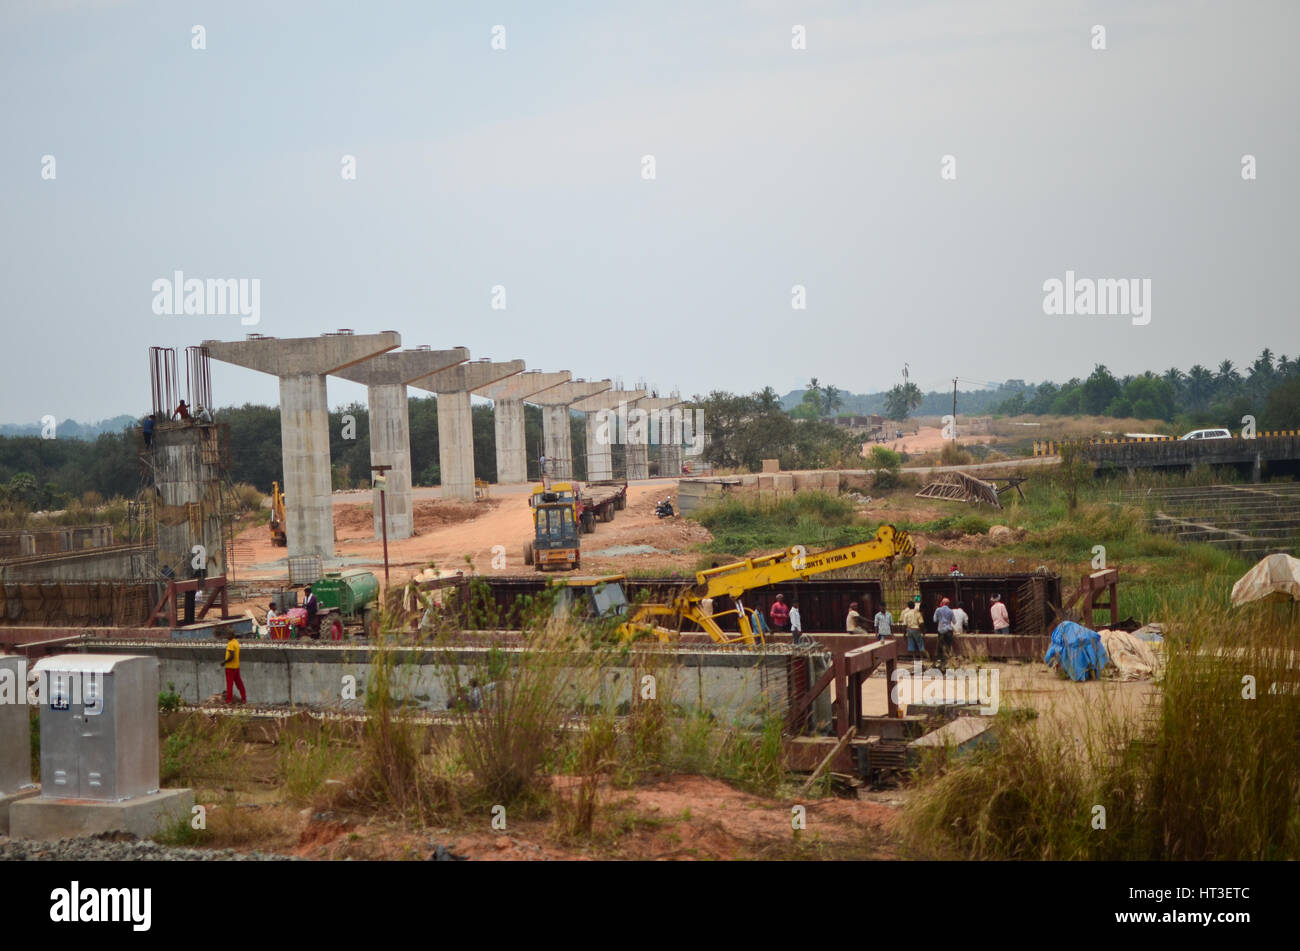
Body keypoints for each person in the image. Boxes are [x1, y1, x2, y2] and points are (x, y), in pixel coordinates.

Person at [222, 631, 246, 704]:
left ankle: (229, 700)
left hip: (230, 667)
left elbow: (231, 656)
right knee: (239, 684)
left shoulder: (230, 644)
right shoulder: (236, 642)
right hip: (236, 667)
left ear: (231, 635)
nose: (226, 636)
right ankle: (244, 698)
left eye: (227, 634)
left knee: (229, 685)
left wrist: (224, 662)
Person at [933, 597, 956, 668]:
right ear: (948, 604)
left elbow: (934, 620)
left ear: (942, 603)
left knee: (940, 647)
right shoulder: (951, 611)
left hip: (941, 630)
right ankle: (948, 662)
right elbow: (954, 622)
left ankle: (940, 661)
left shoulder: (938, 610)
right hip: (949, 630)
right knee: (948, 646)